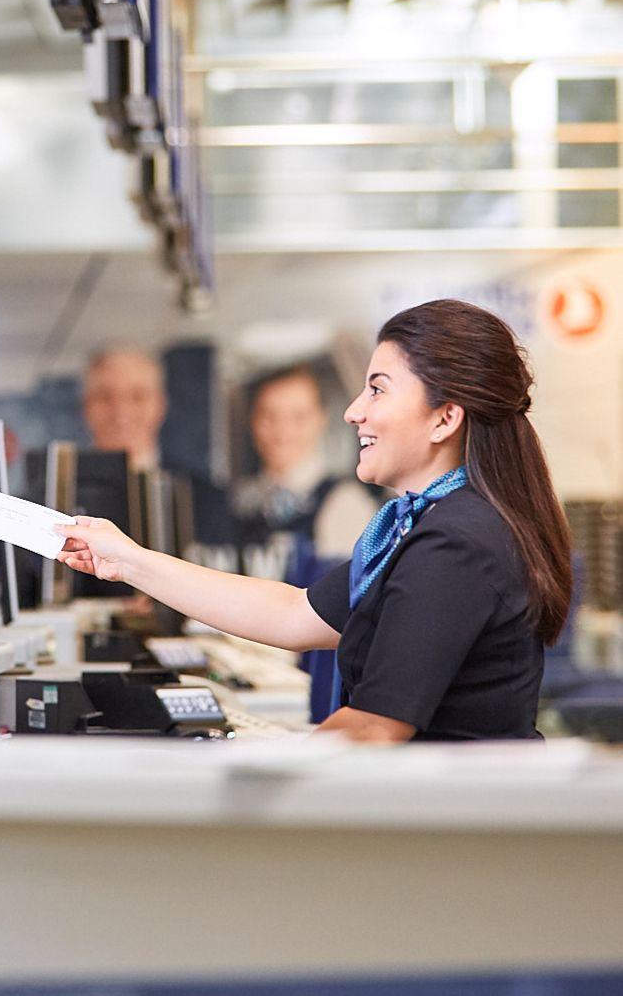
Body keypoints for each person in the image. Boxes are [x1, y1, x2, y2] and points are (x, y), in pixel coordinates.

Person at [59, 300, 572, 742]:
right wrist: (126, 558)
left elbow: (375, 728)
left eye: (377, 390)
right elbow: (292, 614)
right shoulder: (424, 526)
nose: (354, 412)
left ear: (445, 417)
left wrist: (261, 759)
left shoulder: (456, 543)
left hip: (453, 836)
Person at [233, 365, 379, 721]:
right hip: (252, 676)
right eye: (270, 416)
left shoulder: (343, 502)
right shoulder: (239, 502)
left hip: (311, 687)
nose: (282, 431)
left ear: (319, 420)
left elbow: (348, 617)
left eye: (297, 417)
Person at [82, 346, 167, 471]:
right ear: (86, 406)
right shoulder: (59, 487)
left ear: (160, 405)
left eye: (137, 397)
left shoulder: (196, 488)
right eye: (105, 397)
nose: (121, 411)